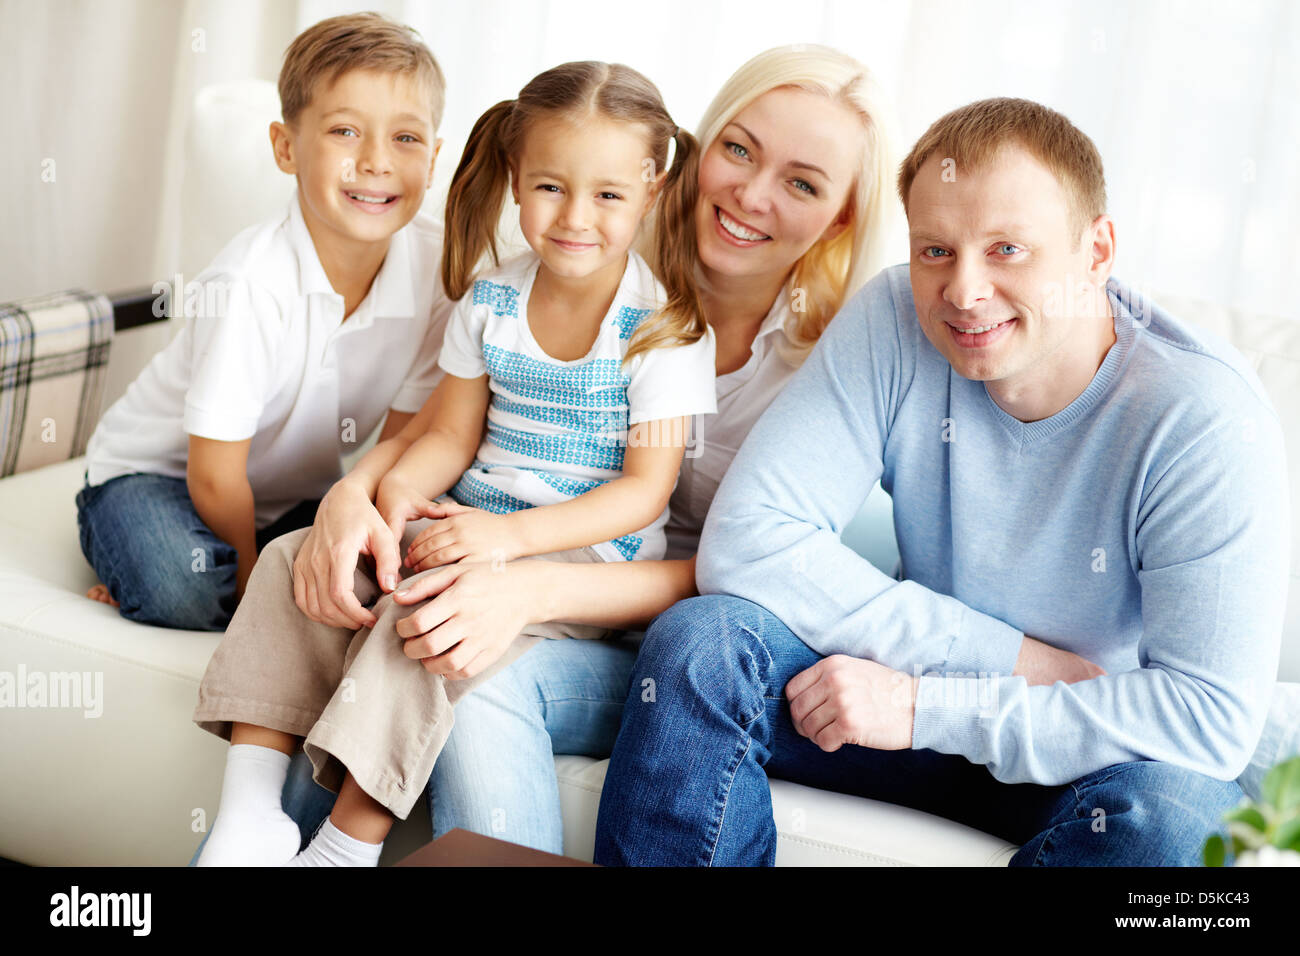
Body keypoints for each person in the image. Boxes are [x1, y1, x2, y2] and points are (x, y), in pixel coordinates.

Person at [593, 97, 1290, 866]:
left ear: (1097, 252)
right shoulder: (894, 317)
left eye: (1007, 251)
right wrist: (1011, 660)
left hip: (1090, 748)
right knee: (706, 643)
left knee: (1181, 825)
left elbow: (1207, 720)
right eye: (935, 250)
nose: (963, 291)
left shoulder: (1203, 416)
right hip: (892, 717)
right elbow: (748, 542)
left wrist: (929, 707)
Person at [246, 43, 899, 860]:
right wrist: (353, 499)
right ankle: (259, 839)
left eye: (802, 183)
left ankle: (337, 848)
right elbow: (447, 431)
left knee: (464, 661)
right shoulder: (565, 270)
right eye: (739, 149)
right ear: (691, 157)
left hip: (674, 644)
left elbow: (744, 582)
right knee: (355, 595)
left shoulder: (833, 368)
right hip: (511, 557)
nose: (752, 195)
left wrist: (520, 583)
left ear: (839, 215)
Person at [191, 60, 717, 866]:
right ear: (514, 181)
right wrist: (390, 499)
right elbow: (448, 439)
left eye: (608, 194)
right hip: (465, 524)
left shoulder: (666, 329)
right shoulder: (490, 303)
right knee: (297, 557)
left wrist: (507, 543)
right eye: (549, 187)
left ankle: (344, 844)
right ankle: (249, 813)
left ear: (650, 187)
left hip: (570, 556)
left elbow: (643, 494)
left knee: (427, 619)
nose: (576, 217)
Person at [75, 12, 451, 630]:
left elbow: (398, 447)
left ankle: (219, 564)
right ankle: (137, 563)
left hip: (289, 497)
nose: (377, 161)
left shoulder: (435, 272)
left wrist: (355, 520)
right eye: (345, 131)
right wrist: (254, 591)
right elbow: (215, 474)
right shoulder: (249, 283)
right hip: (157, 478)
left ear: (433, 158)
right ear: (285, 148)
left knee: (381, 574)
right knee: (184, 586)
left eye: (406, 139)